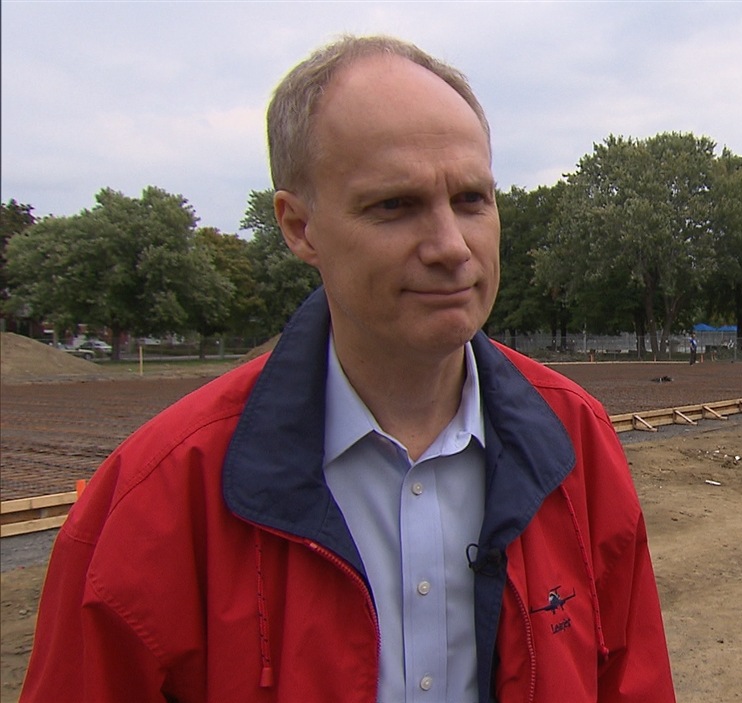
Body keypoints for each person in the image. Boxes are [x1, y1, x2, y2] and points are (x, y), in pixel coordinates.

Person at [21, 35, 675, 703]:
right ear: (298, 226)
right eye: (395, 204)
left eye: (472, 198)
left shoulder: (576, 441)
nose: (451, 246)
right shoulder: (154, 499)